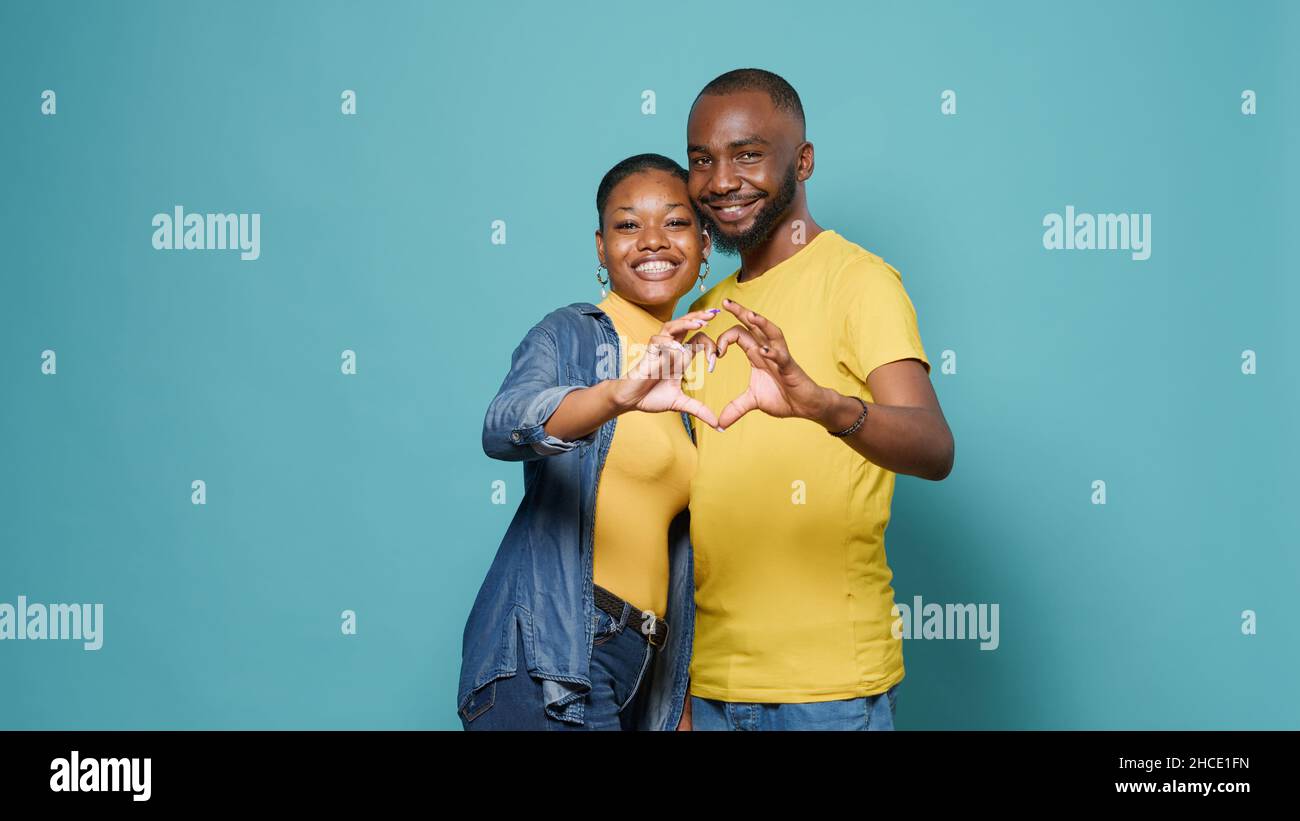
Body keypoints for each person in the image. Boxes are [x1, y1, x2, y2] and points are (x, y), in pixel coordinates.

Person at [679, 69, 956, 730]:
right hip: (710, 683)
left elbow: (934, 445)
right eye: (701, 160)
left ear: (802, 161)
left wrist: (825, 406)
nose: (720, 180)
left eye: (748, 154)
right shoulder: (703, 312)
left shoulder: (859, 281)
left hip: (826, 690)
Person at [458, 153, 718, 730]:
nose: (653, 241)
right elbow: (504, 424)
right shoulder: (572, 333)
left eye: (675, 223)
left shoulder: (693, 366)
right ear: (601, 248)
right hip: (553, 651)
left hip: (639, 663)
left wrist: (678, 699)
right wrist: (616, 396)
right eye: (628, 225)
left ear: (704, 244)